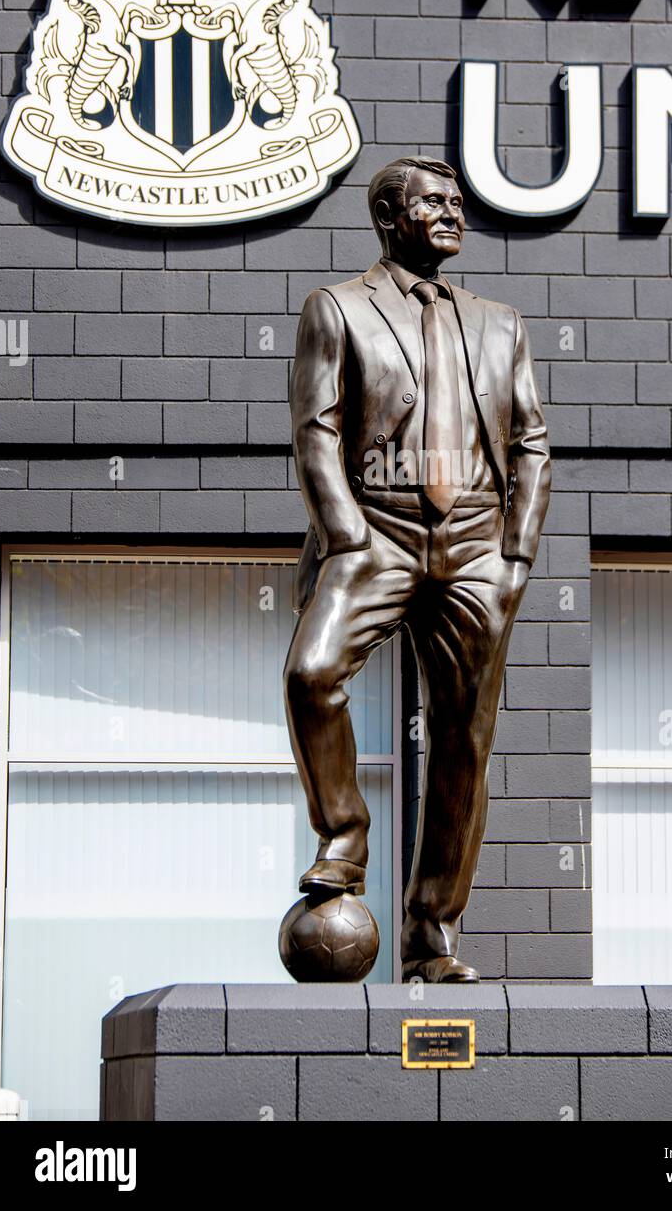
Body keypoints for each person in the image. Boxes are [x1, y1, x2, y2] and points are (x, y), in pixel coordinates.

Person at [284, 155, 550, 982]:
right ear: (388, 216)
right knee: (312, 671)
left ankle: (432, 936)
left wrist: (515, 553)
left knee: (465, 737)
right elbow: (316, 431)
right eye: (434, 202)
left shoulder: (501, 322)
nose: (453, 214)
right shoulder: (339, 308)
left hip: (476, 544)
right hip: (381, 528)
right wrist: (345, 535)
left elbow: (531, 444)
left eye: (458, 203)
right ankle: (345, 837)